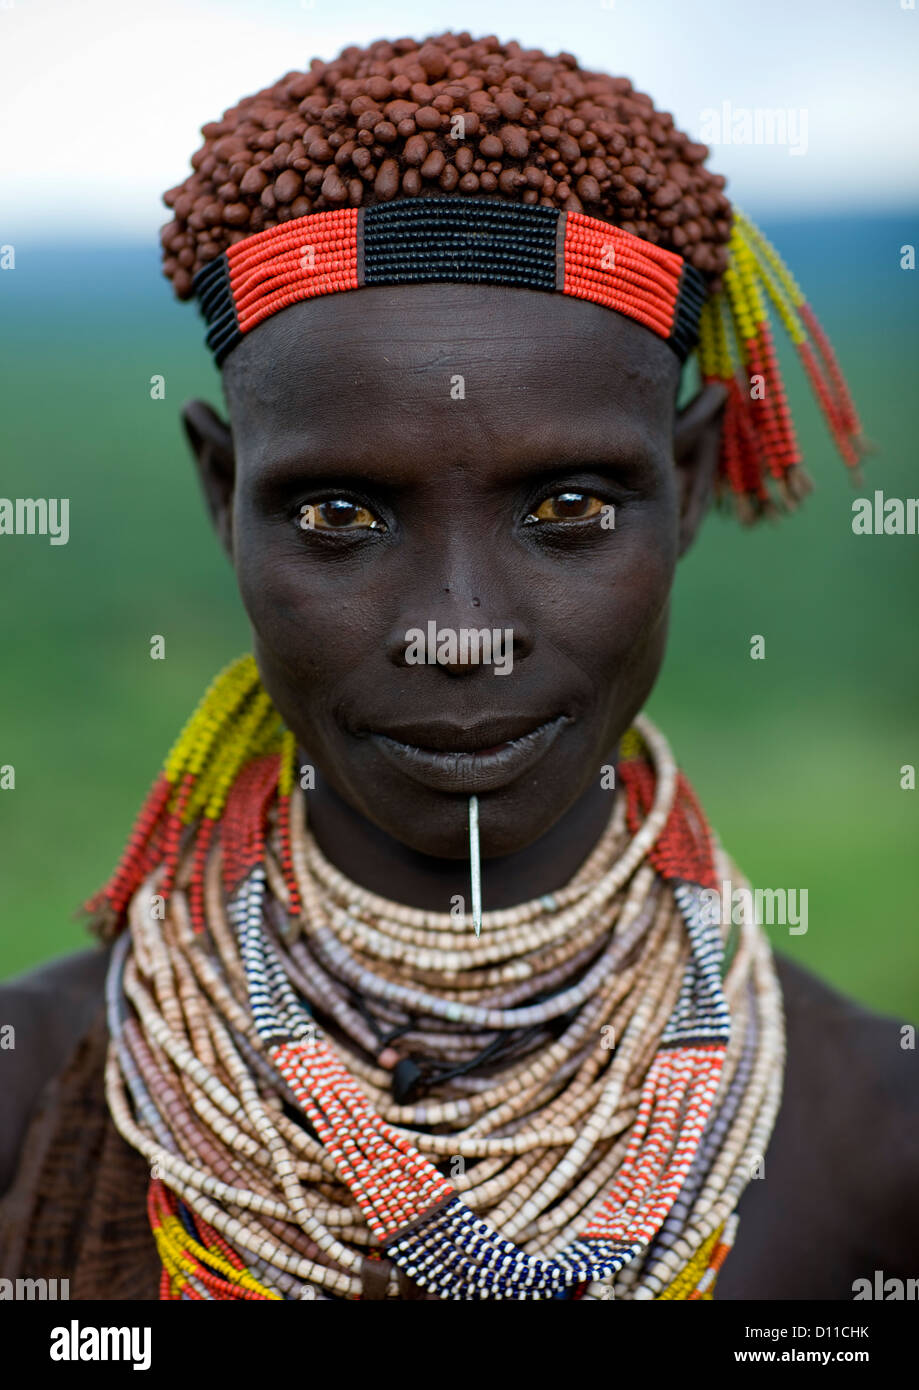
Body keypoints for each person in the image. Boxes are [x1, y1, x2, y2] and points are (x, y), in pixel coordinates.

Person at [1, 31, 916, 1302]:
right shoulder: (33, 1096)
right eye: (339, 515)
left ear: (691, 482)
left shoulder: (875, 1144)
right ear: (223, 496)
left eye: (567, 510)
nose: (457, 629)